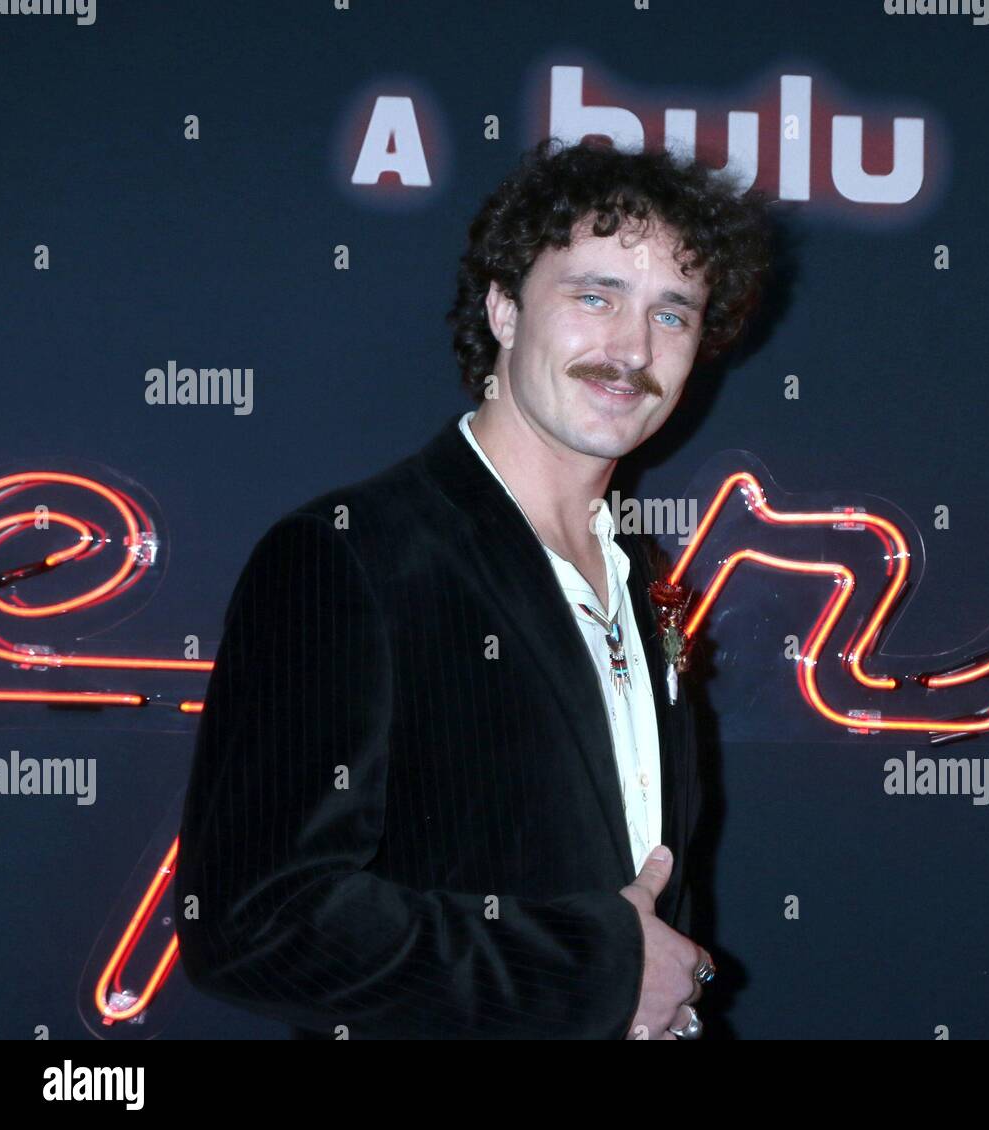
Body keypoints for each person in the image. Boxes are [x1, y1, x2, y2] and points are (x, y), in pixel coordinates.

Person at [174, 136, 774, 1039]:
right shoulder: (351, 556)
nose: (631, 348)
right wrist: (592, 969)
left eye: (672, 314)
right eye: (594, 295)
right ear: (502, 307)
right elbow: (251, 922)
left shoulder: (641, 579)